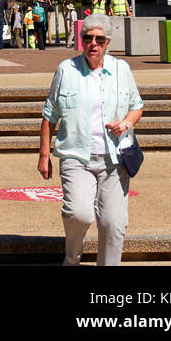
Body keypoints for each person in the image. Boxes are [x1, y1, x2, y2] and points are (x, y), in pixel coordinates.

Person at [38, 14, 144, 266]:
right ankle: (72, 258)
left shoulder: (121, 69)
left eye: (99, 39)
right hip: (76, 156)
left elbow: (137, 106)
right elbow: (49, 115)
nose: (93, 43)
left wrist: (126, 123)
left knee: (113, 223)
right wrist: (44, 155)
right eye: (88, 38)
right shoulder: (66, 70)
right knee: (79, 214)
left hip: (115, 158)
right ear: (81, 40)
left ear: (107, 42)